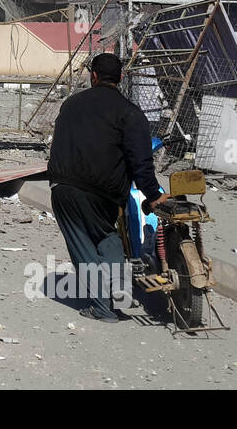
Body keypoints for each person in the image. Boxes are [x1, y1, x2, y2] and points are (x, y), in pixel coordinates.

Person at [46, 52, 170, 322]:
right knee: (107, 236)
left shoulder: (70, 104)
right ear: (121, 78)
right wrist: (155, 195)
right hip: (105, 195)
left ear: (93, 77)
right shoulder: (131, 113)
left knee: (83, 243)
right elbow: (141, 164)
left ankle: (102, 307)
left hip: (64, 187)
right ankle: (116, 290)